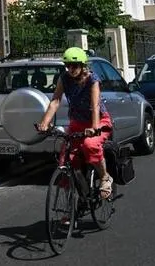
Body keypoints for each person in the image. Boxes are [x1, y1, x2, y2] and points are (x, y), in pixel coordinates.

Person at [35, 47, 114, 198]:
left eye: (75, 65)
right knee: (65, 161)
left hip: (98, 121)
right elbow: (56, 101)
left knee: (90, 145)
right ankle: (69, 208)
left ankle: (105, 177)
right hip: (77, 123)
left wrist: (95, 127)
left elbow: (95, 104)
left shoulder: (93, 79)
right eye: (68, 65)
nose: (71, 69)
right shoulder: (64, 78)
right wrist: (44, 123)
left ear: (83, 65)